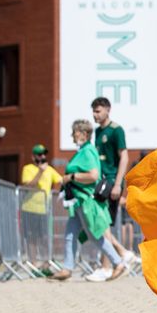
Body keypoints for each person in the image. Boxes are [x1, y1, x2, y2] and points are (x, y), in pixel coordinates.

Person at [49, 120, 127, 282]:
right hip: (78, 202)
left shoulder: (88, 151)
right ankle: (67, 268)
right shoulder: (83, 151)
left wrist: (70, 177)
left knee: (94, 234)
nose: (72, 135)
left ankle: (118, 262)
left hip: (86, 202)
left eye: (75, 132)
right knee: (70, 234)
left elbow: (92, 175)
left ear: (84, 134)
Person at [89, 97, 138, 281]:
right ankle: (112, 262)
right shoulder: (97, 131)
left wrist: (118, 184)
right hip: (101, 182)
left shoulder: (116, 130)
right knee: (103, 223)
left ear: (108, 110)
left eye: (98, 111)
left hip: (110, 182)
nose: (95, 115)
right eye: (93, 111)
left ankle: (113, 261)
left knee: (101, 223)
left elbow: (124, 157)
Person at [21, 144, 63, 273]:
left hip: (45, 209)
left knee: (45, 237)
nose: (42, 157)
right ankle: (33, 263)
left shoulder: (50, 169)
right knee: (31, 237)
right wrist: (40, 171)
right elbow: (28, 184)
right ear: (33, 157)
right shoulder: (28, 168)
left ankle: (45, 264)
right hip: (30, 208)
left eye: (44, 154)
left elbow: (61, 180)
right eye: (39, 154)